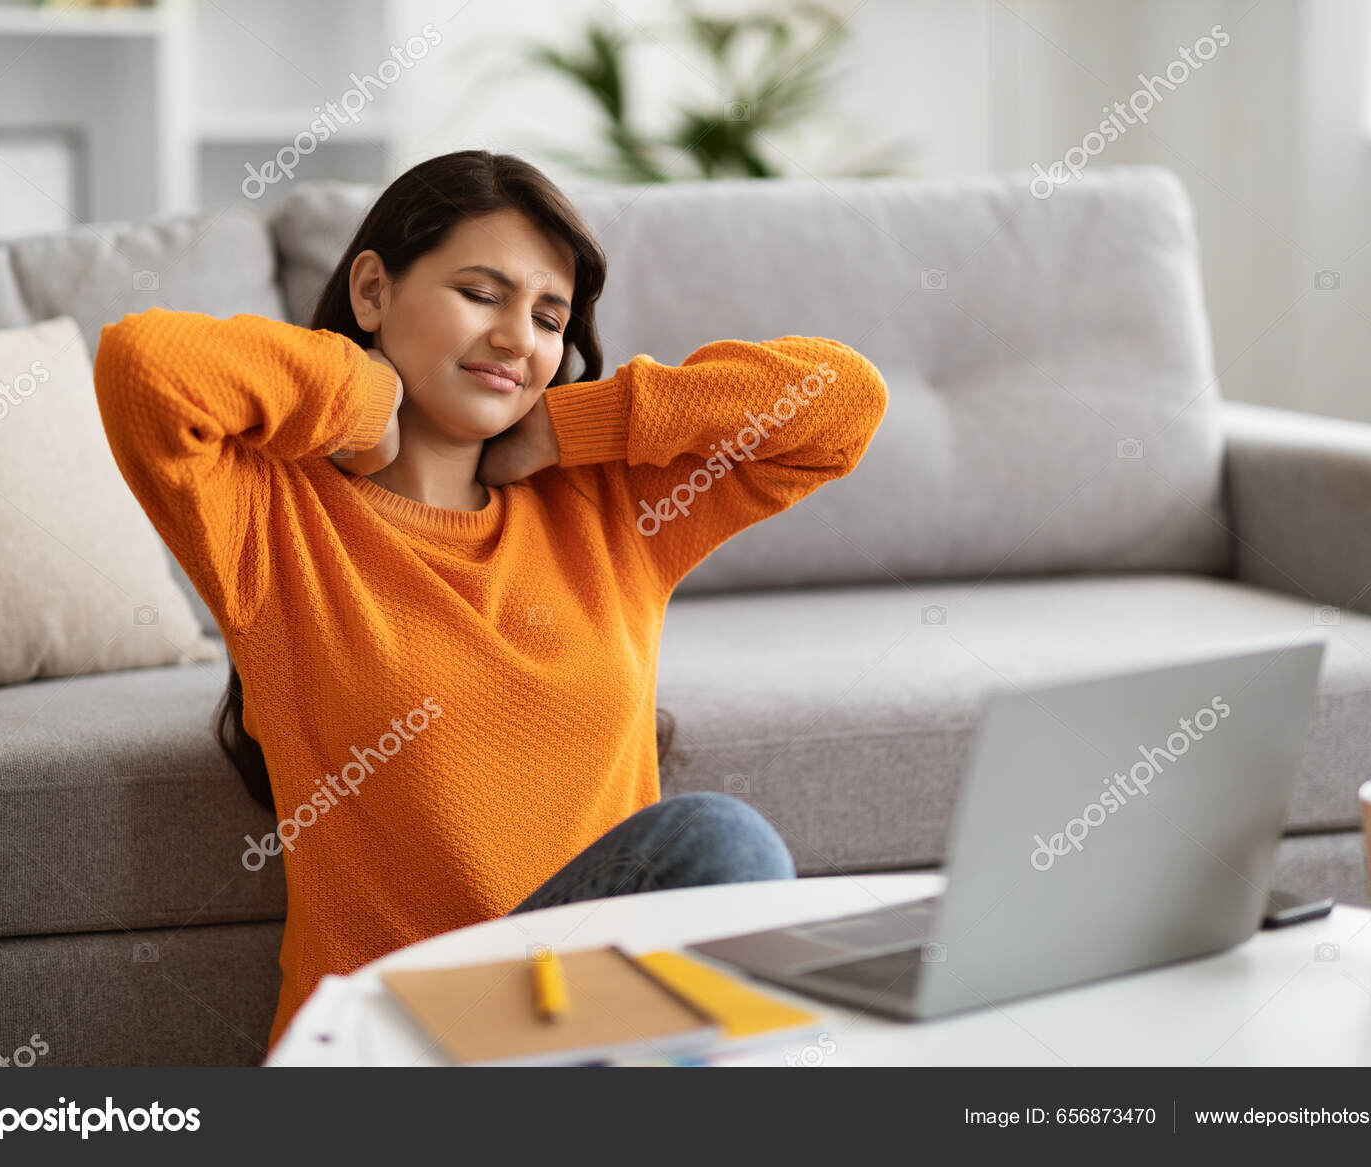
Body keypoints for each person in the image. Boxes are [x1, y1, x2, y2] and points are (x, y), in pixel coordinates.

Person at [93, 149, 888, 1053]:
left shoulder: (611, 510)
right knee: (720, 839)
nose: (520, 338)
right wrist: (363, 402)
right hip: (397, 1052)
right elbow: (144, 364)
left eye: (550, 316)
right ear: (371, 291)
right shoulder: (274, 518)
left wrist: (576, 425)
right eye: (482, 293)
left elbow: (843, 401)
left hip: (586, 1033)